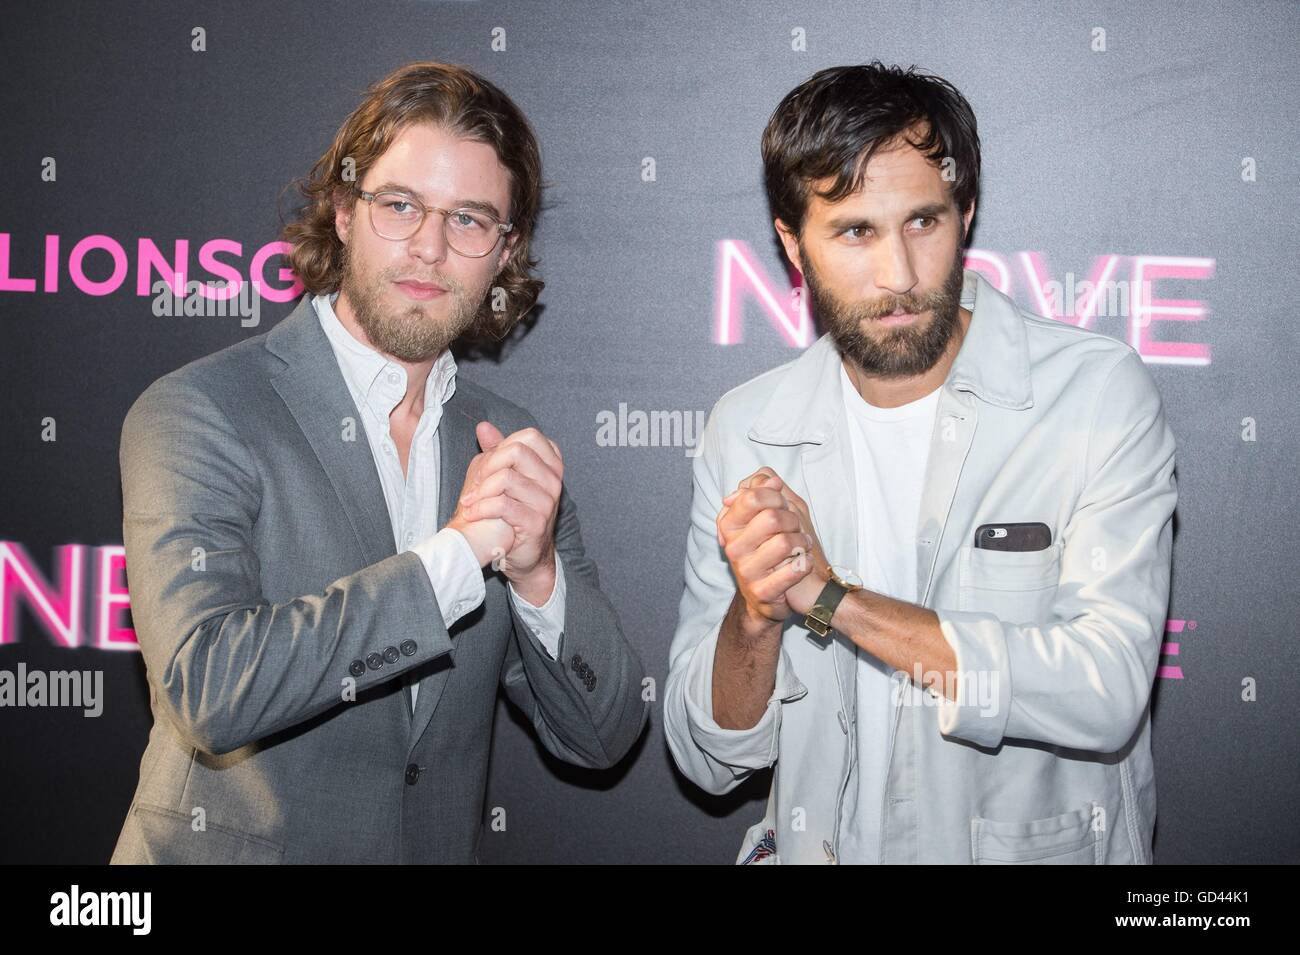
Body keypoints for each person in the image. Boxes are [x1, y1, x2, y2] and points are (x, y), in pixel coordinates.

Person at [111, 61, 647, 864]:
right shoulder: (200, 409)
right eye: (400, 206)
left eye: (469, 221)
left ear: (505, 253)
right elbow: (208, 687)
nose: (429, 248)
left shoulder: (509, 444)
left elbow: (603, 738)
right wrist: (458, 557)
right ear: (342, 210)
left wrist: (538, 579)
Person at [665, 62, 1177, 864]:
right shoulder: (747, 428)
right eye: (856, 231)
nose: (898, 275)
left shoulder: (1093, 394)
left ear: (965, 214)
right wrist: (756, 617)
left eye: (923, 222)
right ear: (792, 245)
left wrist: (832, 599)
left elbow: (1107, 689)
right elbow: (709, 753)